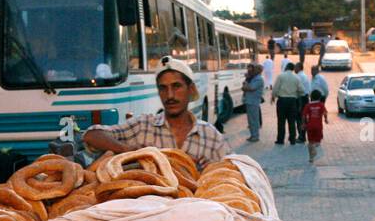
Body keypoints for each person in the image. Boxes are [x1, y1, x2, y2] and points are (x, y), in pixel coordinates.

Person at [84, 58, 230, 166]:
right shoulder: (143, 126)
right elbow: (92, 135)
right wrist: (127, 150)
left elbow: (234, 171)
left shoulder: (211, 136)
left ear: (190, 89)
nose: (170, 95)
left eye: (176, 86)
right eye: (163, 88)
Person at [268, 58, 305, 145]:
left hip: (282, 101)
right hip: (292, 102)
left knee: (281, 121)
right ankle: (292, 139)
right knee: (291, 121)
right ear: (292, 69)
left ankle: (280, 140)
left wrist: (273, 96)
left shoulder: (281, 76)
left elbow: (275, 89)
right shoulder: (296, 78)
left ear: (286, 67)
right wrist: (296, 94)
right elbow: (302, 90)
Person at [301, 89, 328, 163]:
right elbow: (325, 113)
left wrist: (303, 124)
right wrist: (326, 119)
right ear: (319, 97)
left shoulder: (308, 105)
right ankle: (314, 150)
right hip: (318, 126)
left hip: (310, 126)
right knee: (318, 142)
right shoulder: (321, 105)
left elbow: (303, 115)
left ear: (311, 97)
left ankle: (311, 158)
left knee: (310, 142)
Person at [241, 62, 263, 142]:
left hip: (254, 101)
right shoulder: (252, 78)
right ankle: (252, 135)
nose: (250, 70)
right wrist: (246, 84)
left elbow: (251, 88)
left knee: (254, 120)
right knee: (250, 120)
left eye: (253, 69)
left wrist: (246, 84)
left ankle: (255, 136)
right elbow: (244, 87)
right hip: (249, 101)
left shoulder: (258, 79)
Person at [295, 63, 312, 142]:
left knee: (299, 118)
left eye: (295, 67)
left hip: (301, 99)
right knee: (303, 118)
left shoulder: (298, 76)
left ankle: (301, 137)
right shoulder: (304, 76)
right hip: (305, 98)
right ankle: (303, 136)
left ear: (299, 68)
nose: (294, 69)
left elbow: (296, 89)